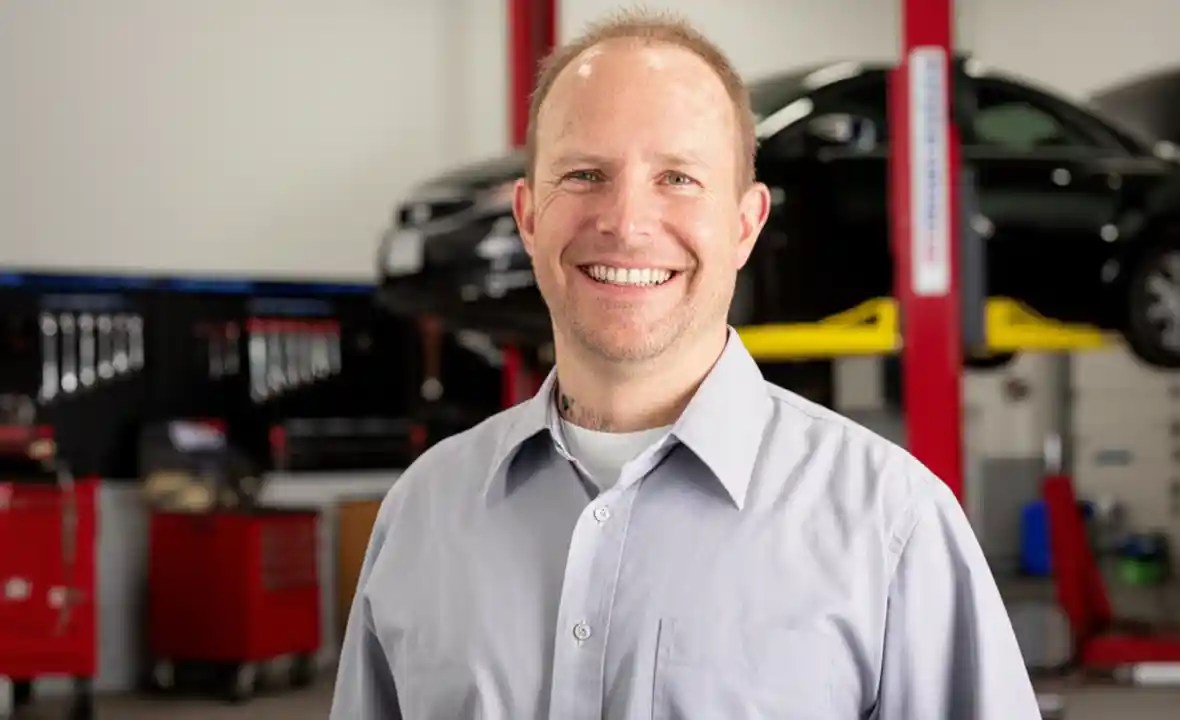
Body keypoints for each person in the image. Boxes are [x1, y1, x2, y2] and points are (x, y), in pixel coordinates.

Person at [331, 9, 1041, 720]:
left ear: (745, 223)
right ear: (527, 218)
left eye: (677, 177)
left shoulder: (891, 527)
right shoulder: (423, 516)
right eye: (584, 173)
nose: (628, 222)